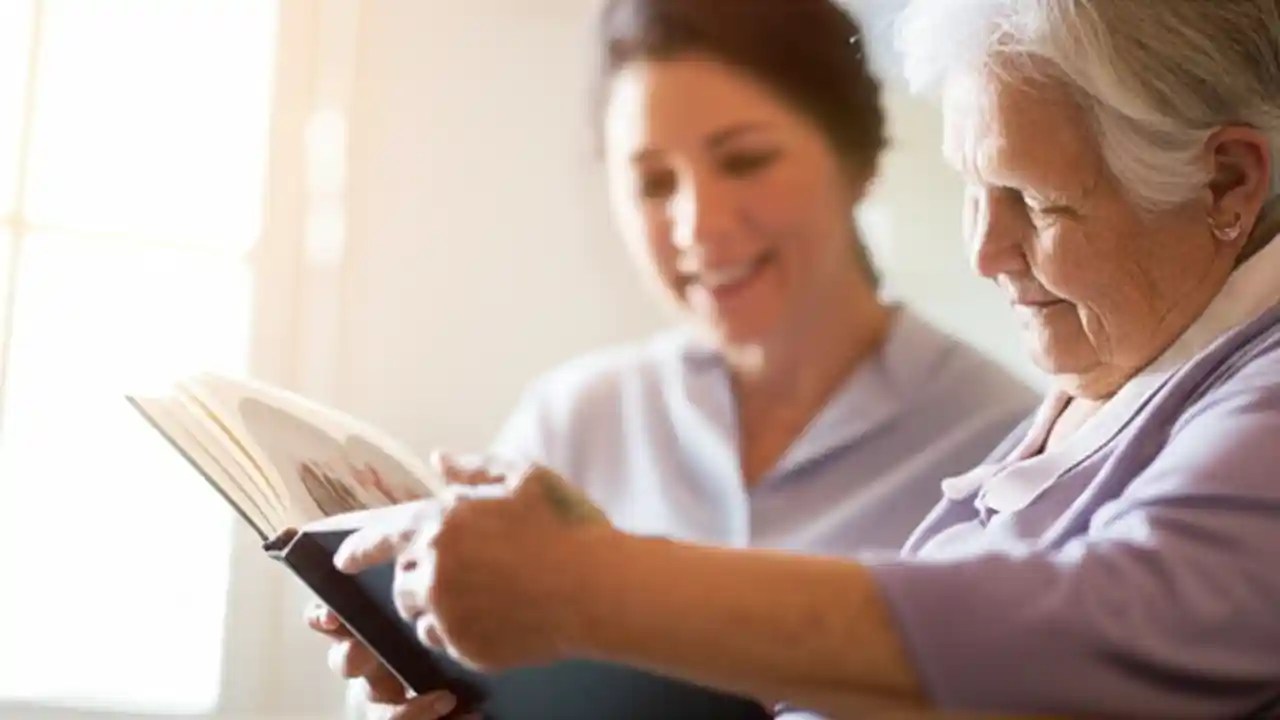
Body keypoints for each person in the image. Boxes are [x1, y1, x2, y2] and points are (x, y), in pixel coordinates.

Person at [332, 0, 1280, 717]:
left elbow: (1096, 629)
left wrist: (587, 586)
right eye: (972, 187)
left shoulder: (1206, 396)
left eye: (1034, 200)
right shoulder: (1104, 388)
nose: (983, 253)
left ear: (1228, 183)